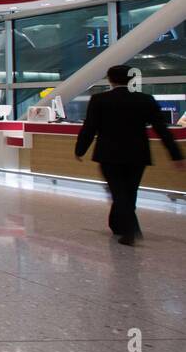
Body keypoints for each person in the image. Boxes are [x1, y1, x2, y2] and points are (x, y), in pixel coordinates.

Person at [75, 64, 184, 245]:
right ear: (130, 79)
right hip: (137, 154)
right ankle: (118, 225)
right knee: (129, 192)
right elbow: (161, 129)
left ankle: (130, 230)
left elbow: (89, 128)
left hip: (108, 154)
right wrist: (176, 154)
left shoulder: (100, 100)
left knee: (118, 192)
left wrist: (80, 149)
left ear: (110, 79)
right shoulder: (145, 99)